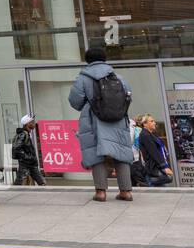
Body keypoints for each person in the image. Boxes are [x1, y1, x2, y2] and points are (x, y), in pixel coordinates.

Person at [68, 45, 134, 202]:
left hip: (93, 121)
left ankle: (101, 192)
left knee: (95, 153)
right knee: (121, 153)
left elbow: (74, 101)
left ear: (87, 60)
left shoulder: (83, 78)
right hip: (118, 119)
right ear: (105, 59)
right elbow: (128, 97)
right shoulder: (119, 77)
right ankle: (126, 191)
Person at [134, 115, 173, 187]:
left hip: (156, 168)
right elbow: (154, 153)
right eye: (151, 121)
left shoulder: (152, 134)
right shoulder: (145, 135)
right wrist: (164, 167)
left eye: (154, 121)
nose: (154, 123)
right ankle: (148, 182)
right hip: (153, 169)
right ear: (145, 124)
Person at [12, 114, 46, 186]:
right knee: (19, 185)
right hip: (25, 165)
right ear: (27, 124)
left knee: (42, 183)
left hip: (31, 165)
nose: (34, 123)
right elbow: (16, 148)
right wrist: (27, 157)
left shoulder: (26, 134)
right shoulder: (23, 134)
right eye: (32, 122)